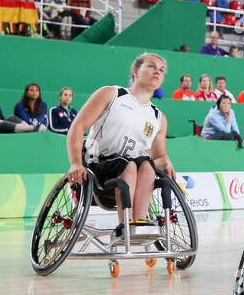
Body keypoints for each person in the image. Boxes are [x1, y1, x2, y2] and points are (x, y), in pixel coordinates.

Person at [65, 53, 176, 237]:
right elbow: (77, 127)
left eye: (162, 70)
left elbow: (159, 156)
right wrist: (75, 162)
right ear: (135, 71)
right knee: (129, 164)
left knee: (148, 167)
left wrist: (166, 162)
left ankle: (139, 224)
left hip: (130, 169)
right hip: (96, 165)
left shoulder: (158, 117)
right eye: (151, 66)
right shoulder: (111, 94)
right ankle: (126, 225)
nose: (157, 71)